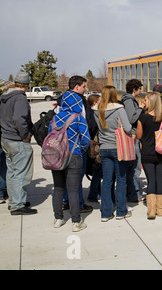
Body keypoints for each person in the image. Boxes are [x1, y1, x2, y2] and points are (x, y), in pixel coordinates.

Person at [50, 91, 91, 232]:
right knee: (73, 189)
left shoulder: (55, 118)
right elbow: (86, 139)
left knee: (58, 188)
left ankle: (58, 219)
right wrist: (81, 149)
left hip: (56, 155)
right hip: (74, 154)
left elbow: (51, 136)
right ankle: (76, 221)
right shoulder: (78, 118)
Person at [93, 86, 133, 221]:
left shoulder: (97, 110)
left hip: (104, 148)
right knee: (121, 180)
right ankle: (121, 211)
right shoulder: (119, 109)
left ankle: (105, 213)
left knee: (106, 181)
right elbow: (127, 128)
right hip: (118, 147)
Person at [0, 72, 37, 215]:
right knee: (22, 173)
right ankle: (17, 204)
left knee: (12, 172)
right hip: (17, 140)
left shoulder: (5, 98)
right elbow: (19, 119)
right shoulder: (20, 99)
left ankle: (14, 200)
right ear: (27, 85)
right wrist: (26, 135)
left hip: (6, 139)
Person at [58, 76, 94, 214]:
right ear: (77, 86)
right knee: (77, 177)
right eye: (84, 86)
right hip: (76, 145)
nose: (85, 89)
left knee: (65, 177)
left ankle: (66, 201)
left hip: (62, 145)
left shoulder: (63, 100)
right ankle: (78, 204)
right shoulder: (78, 102)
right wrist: (84, 147)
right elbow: (83, 125)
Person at [136, 92, 162, 219]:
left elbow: (139, 136)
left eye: (145, 100)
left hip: (147, 153)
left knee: (151, 180)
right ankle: (160, 210)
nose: (144, 102)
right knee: (160, 180)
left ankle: (151, 211)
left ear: (150, 102)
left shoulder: (143, 118)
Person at [121, 79, 145, 203]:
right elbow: (131, 118)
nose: (141, 91)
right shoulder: (129, 100)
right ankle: (134, 193)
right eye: (140, 88)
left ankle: (131, 192)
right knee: (135, 167)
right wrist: (140, 108)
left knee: (133, 166)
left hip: (131, 137)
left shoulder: (126, 99)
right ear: (134, 89)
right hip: (132, 137)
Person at [86, 94, 102, 202]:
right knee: (97, 170)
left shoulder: (89, 114)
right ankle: (93, 194)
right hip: (94, 147)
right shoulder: (93, 115)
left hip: (92, 146)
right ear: (95, 103)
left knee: (97, 171)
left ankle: (96, 193)